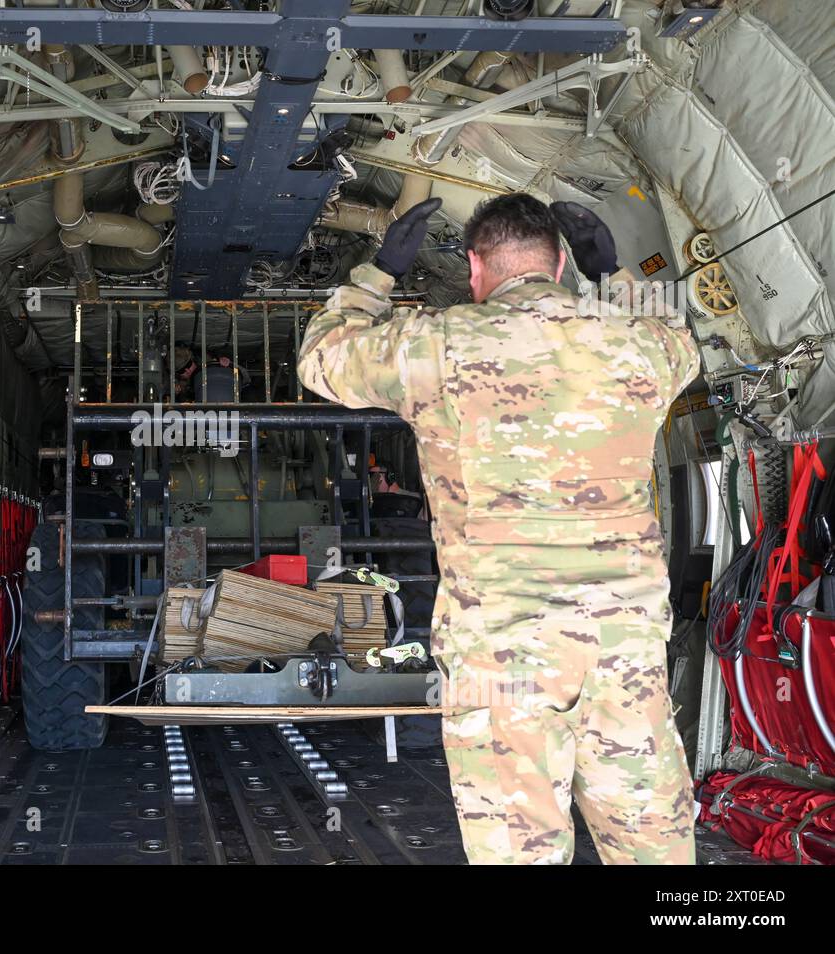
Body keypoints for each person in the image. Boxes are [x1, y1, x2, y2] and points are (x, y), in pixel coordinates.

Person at [297, 193, 701, 864]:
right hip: (622, 649)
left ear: (477, 266)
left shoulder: (442, 343)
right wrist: (617, 274)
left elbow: (322, 358)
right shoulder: (637, 345)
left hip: (503, 655)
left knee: (520, 849)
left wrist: (380, 272)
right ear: (562, 261)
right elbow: (684, 349)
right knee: (652, 845)